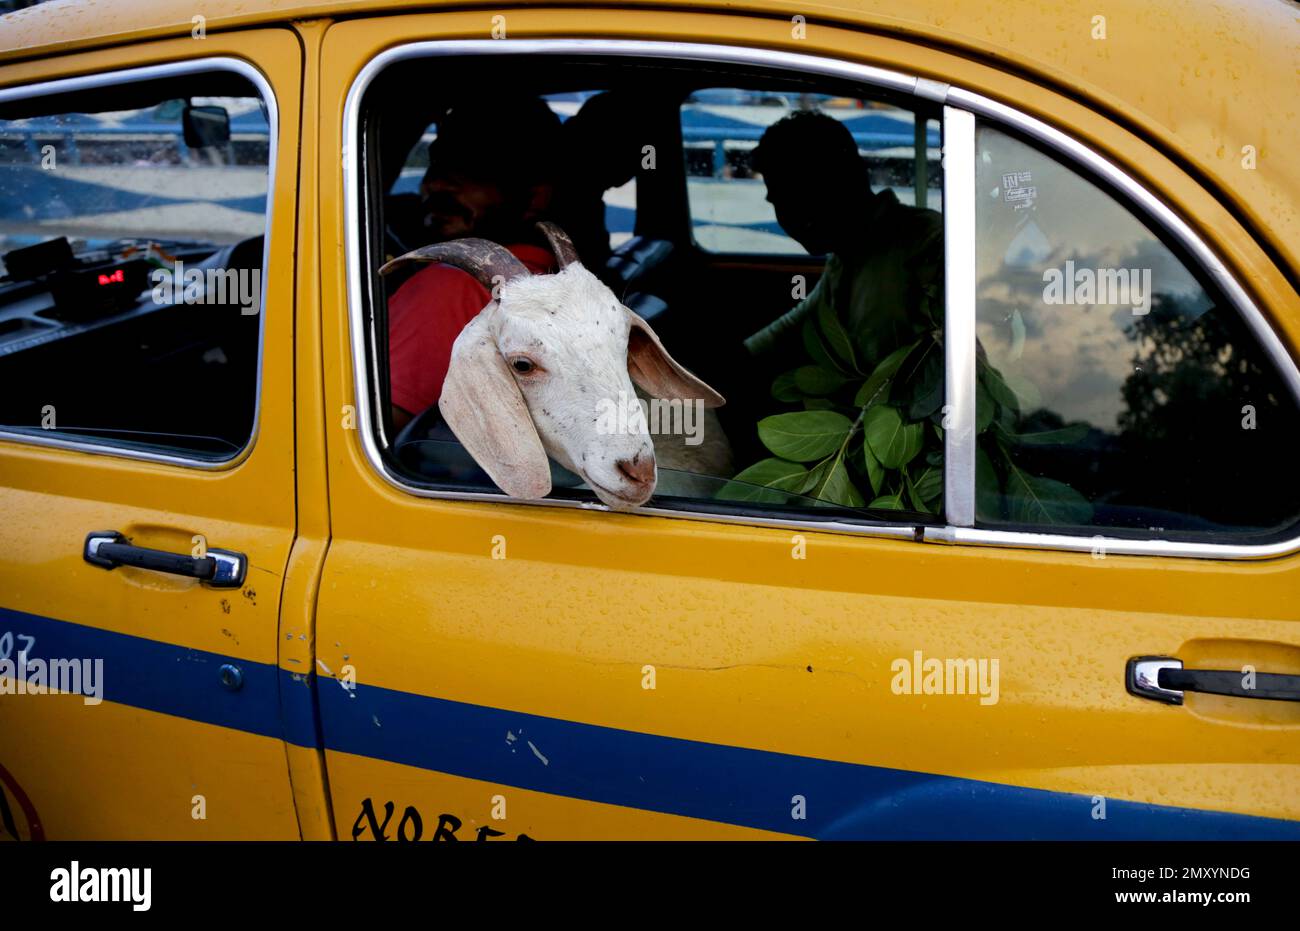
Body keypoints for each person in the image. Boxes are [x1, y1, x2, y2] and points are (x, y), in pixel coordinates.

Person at [387, 96, 564, 431]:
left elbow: (368, 432)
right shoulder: (548, 273)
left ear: (535, 197)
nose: (436, 184)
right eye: (436, 163)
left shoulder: (453, 287)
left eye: (472, 169)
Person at [742, 110, 943, 375]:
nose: (788, 216)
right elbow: (796, 324)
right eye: (781, 201)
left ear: (842, 181)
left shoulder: (926, 243)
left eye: (795, 197)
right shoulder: (846, 253)